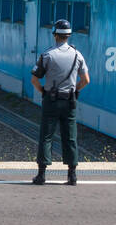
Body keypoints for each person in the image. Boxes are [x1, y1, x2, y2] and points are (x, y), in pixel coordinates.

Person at [30, 18, 90, 185]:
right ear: (69, 35)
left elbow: (34, 80)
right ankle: (72, 175)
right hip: (70, 100)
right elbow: (86, 80)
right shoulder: (78, 55)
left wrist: (43, 91)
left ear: (55, 34)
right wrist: (75, 90)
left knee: (46, 136)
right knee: (70, 137)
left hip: (51, 99)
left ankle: (41, 175)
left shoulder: (47, 55)